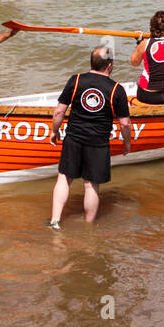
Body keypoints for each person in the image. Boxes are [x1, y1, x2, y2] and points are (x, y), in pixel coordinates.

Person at [49, 46, 131, 227]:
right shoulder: (116, 89)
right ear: (109, 66)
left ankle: (55, 220)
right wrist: (127, 144)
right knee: (91, 185)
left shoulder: (76, 80)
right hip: (98, 142)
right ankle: (88, 226)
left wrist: (55, 132)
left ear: (91, 62)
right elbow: (124, 123)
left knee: (64, 178)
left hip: (73, 137)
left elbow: (59, 112)